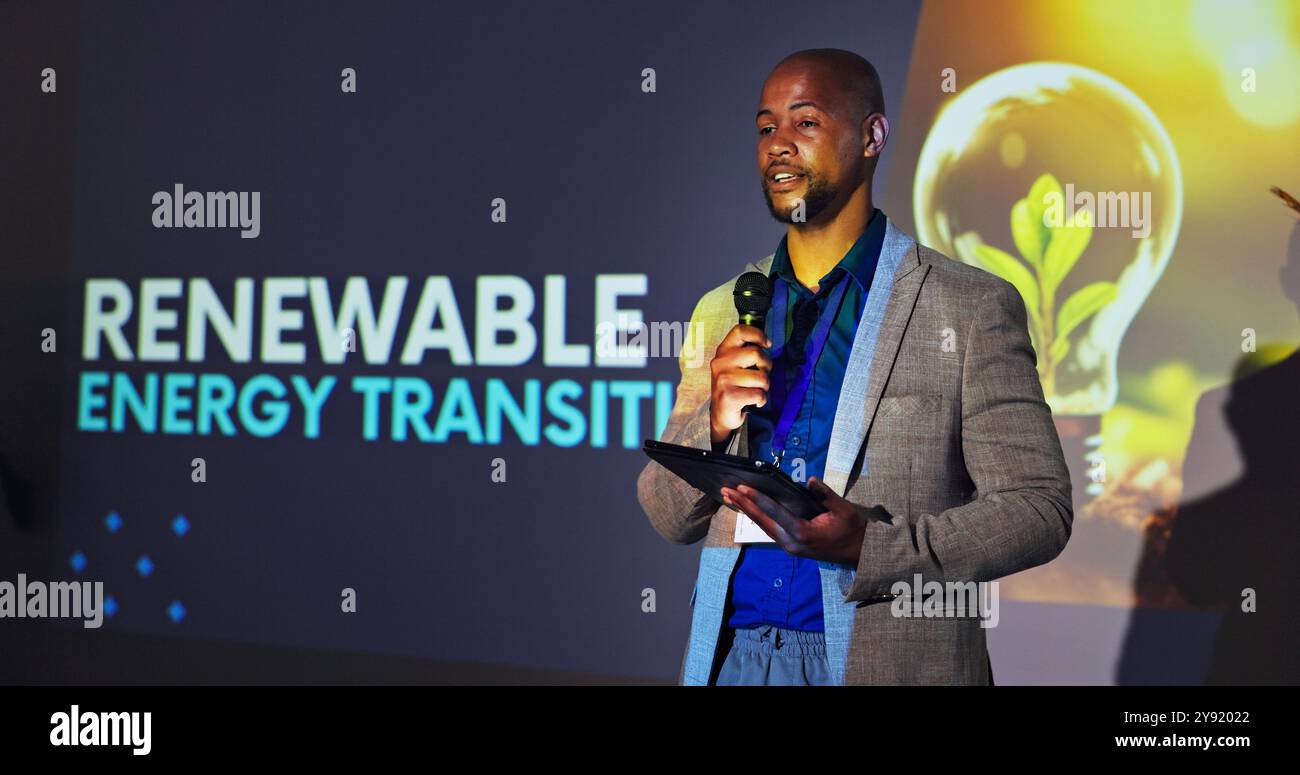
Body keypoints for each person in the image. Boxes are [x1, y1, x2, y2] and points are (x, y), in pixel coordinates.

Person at [636, 48, 1073, 685]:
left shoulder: (968, 306)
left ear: (872, 136)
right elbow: (668, 515)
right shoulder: (723, 308)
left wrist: (872, 547)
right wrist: (715, 422)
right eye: (766, 127)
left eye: (806, 122)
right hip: (734, 660)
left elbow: (1038, 510)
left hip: (884, 662)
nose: (778, 144)